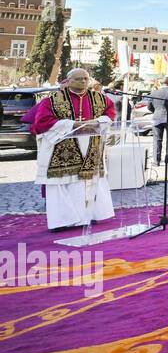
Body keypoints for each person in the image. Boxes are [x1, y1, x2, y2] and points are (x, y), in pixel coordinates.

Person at [31, 68, 116, 231]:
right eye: (78, 79)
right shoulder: (52, 100)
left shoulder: (100, 98)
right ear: (68, 81)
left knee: (87, 184)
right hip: (61, 148)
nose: (83, 82)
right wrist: (73, 125)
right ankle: (62, 221)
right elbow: (42, 122)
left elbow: (110, 115)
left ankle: (87, 216)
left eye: (85, 78)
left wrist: (98, 122)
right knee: (62, 184)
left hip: (90, 146)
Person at [148, 75, 168, 167]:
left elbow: (149, 106)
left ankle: (156, 161)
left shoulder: (154, 92)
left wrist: (156, 111)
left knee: (157, 139)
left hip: (157, 117)